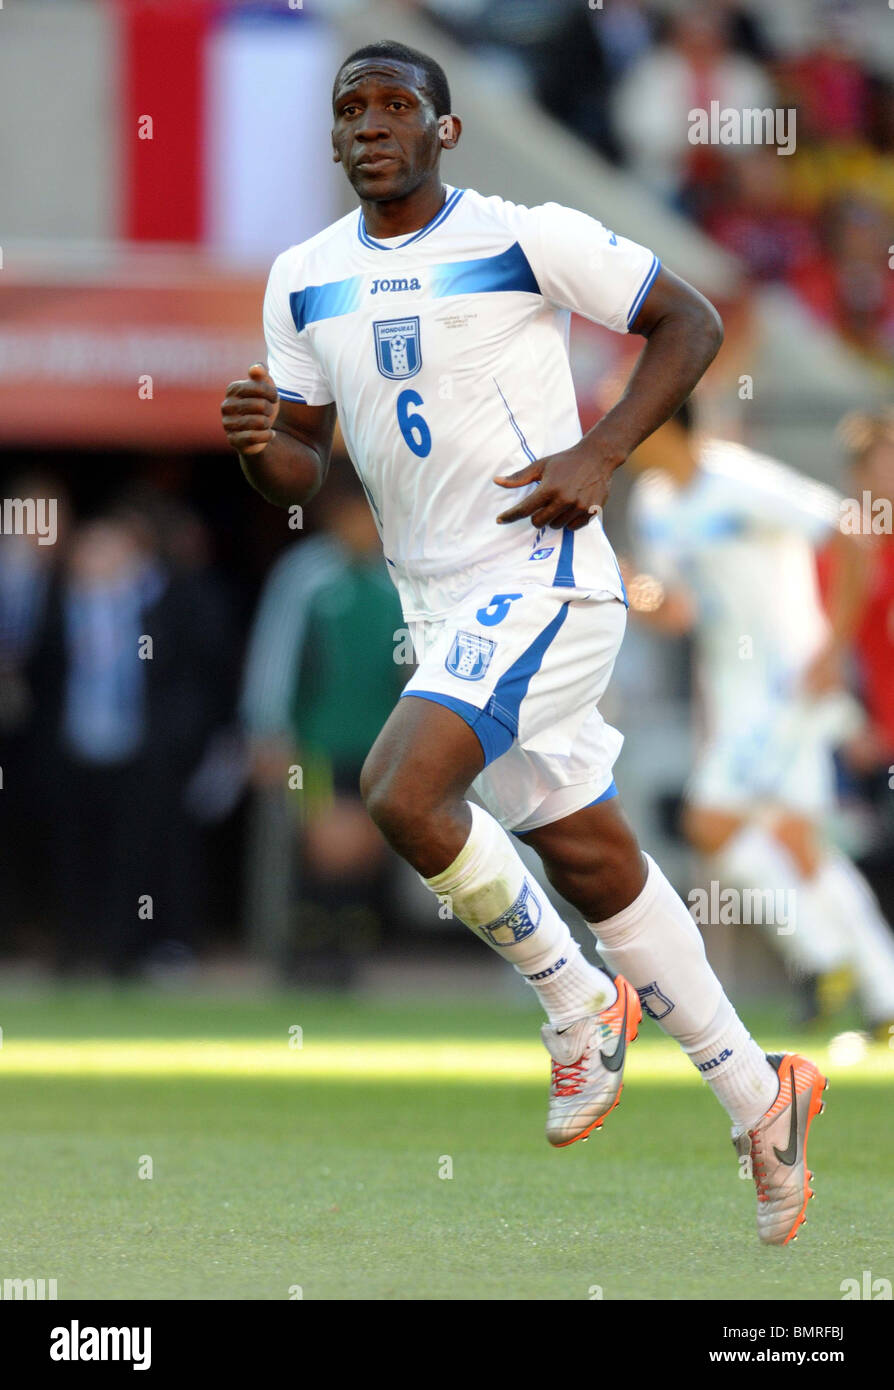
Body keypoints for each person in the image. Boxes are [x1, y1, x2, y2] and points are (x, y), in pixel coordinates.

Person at [221, 39, 826, 1245]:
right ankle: (766, 1098)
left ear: (446, 131)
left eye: (399, 106)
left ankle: (578, 1004)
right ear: (334, 136)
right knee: (596, 861)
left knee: (399, 789)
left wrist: (600, 456)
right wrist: (258, 446)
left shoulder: (521, 234)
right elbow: (302, 466)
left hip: (544, 582)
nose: (372, 124)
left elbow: (688, 321)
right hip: (442, 608)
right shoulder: (302, 276)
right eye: (353, 109)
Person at [624, 402, 894, 1034]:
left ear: (663, 420)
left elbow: (850, 539)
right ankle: (885, 995)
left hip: (786, 683)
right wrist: (634, 593)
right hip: (734, 692)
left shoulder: (741, 480)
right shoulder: (654, 505)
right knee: (800, 845)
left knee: (708, 821)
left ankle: (822, 954)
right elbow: (679, 611)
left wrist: (831, 650)